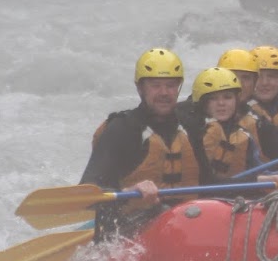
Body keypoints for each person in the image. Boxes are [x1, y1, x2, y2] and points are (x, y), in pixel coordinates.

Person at [81, 47, 198, 207]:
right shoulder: (122, 129)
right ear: (140, 88)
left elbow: (210, 183)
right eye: (155, 85)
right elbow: (88, 192)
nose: (164, 92)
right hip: (131, 223)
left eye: (171, 85)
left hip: (186, 220)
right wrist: (128, 192)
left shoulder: (189, 126)